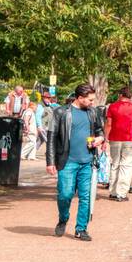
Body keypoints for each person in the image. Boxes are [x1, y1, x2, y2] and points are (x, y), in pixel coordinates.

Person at [46, 83, 104, 241]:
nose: (92, 102)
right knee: (65, 194)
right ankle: (63, 218)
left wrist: (100, 138)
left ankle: (81, 229)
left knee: (86, 196)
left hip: (87, 161)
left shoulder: (93, 112)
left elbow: (100, 130)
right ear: (80, 98)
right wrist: (50, 161)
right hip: (67, 162)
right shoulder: (60, 112)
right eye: (90, 100)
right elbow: (51, 138)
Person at [104, 86, 132, 201]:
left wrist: (105, 139)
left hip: (114, 139)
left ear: (120, 95)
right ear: (130, 97)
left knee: (115, 164)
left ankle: (113, 192)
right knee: (126, 166)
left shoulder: (112, 106)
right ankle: (122, 193)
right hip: (129, 140)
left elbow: (109, 124)